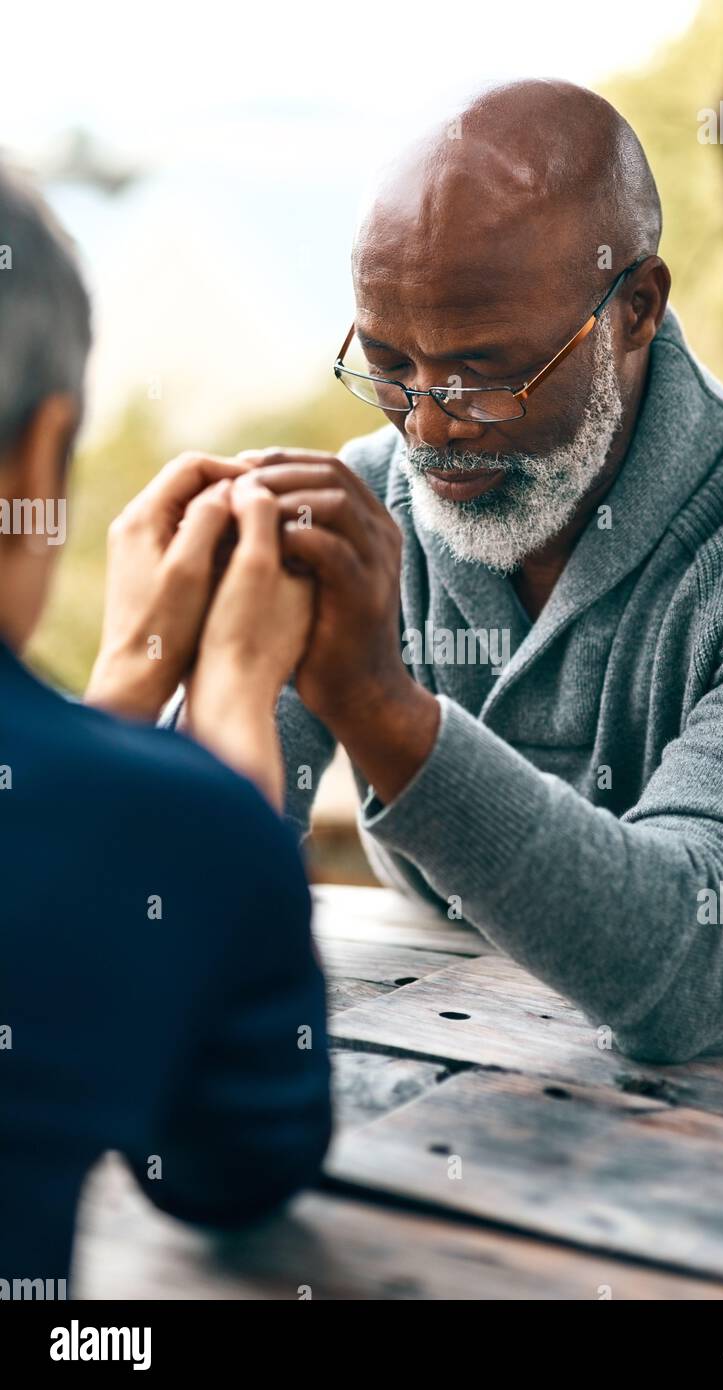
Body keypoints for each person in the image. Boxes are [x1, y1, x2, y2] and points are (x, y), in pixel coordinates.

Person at [234, 80, 723, 1064]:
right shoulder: (368, 505)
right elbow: (197, 869)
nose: (427, 429)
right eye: (388, 365)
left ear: (635, 309)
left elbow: (688, 969)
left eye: (484, 374)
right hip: (455, 1024)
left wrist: (386, 714)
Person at [0, 163, 331, 1293]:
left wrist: (126, 689)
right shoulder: (170, 829)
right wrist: (232, 699)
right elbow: (229, 1167)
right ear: (40, 454)